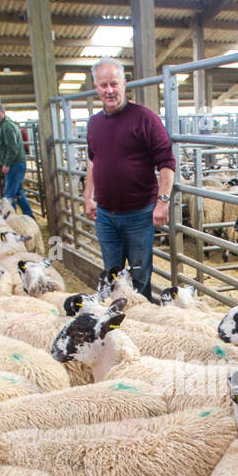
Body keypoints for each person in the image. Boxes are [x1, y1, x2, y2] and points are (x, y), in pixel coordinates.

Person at [83, 57, 176, 300]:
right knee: (112, 275)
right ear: (96, 87)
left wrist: (163, 202)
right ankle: (117, 322)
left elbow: (166, 161)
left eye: (114, 83)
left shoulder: (145, 118)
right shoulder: (94, 123)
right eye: (103, 85)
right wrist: (88, 196)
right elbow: (93, 160)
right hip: (105, 215)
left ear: (124, 83)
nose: (109, 90)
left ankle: (140, 323)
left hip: (138, 214)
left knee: (139, 276)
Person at [0, 104, 32, 218]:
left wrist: (7, 163)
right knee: (18, 193)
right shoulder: (6, 126)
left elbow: (12, 147)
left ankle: (10, 219)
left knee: (9, 195)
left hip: (14, 164)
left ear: (3, 113)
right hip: (17, 163)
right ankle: (29, 218)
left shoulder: (7, 127)